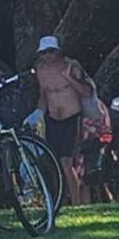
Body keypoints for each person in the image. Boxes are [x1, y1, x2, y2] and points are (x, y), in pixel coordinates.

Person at [33, 35, 96, 207]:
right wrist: (38, 114)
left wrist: (69, 78)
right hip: (52, 119)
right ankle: (58, 201)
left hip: (71, 118)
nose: (48, 56)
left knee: (67, 162)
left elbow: (86, 92)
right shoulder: (40, 70)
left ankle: (76, 203)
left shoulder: (71, 66)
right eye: (44, 53)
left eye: (51, 52)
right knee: (53, 162)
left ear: (58, 51)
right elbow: (43, 95)